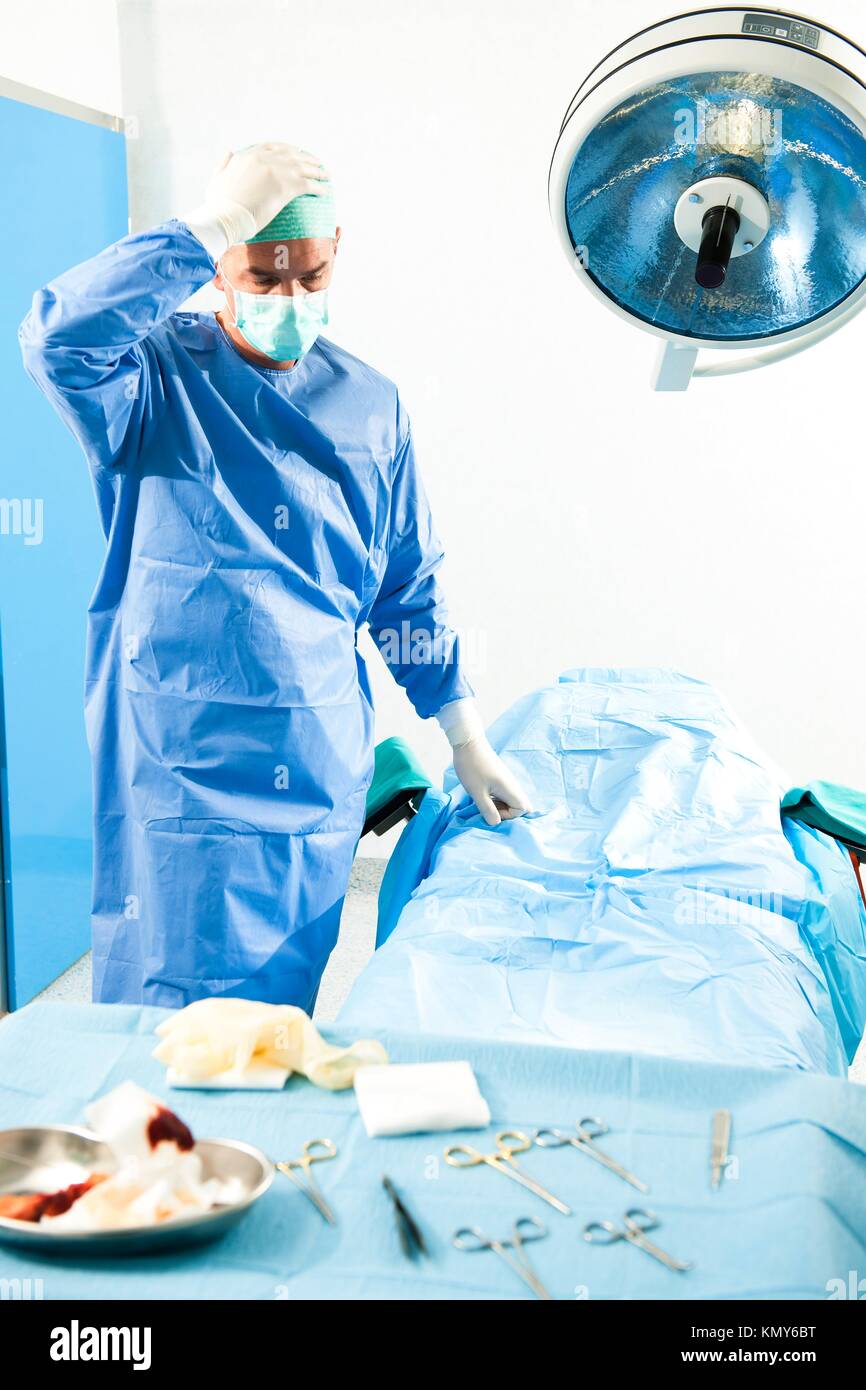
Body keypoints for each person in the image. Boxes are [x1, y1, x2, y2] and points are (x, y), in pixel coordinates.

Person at [20, 142, 530, 1009]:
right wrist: (206, 224)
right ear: (216, 269)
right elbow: (56, 337)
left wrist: (465, 733)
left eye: (311, 278)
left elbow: (405, 585)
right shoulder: (149, 379)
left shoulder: (372, 403)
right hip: (180, 765)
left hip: (313, 762)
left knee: (277, 1018)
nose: (290, 301)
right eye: (262, 278)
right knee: (167, 1035)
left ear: (340, 255)